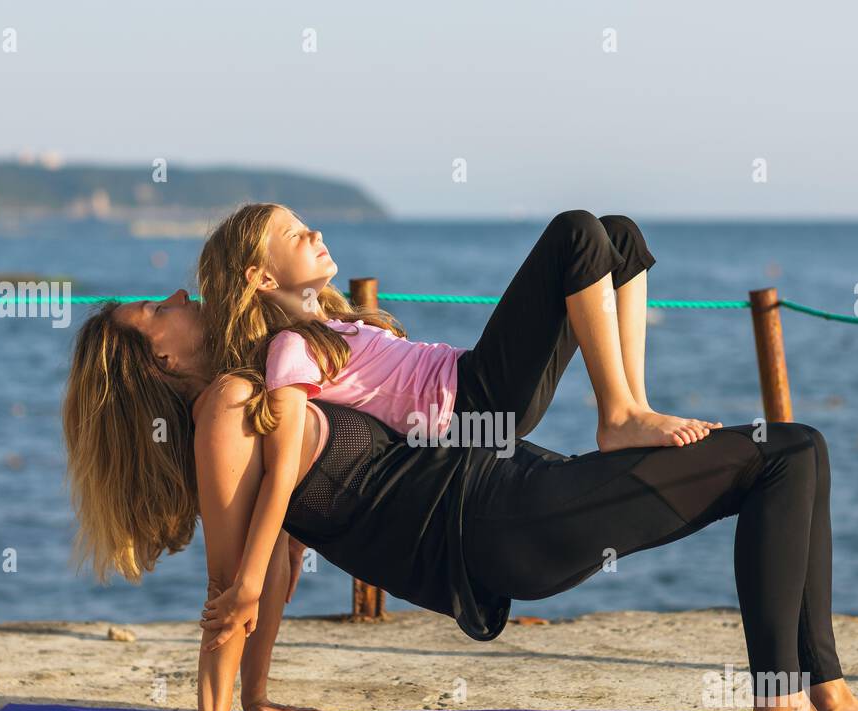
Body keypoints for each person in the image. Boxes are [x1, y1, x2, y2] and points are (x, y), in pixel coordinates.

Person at [59, 218, 858, 711]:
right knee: (781, 457)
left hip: (517, 483)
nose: (176, 294)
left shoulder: (280, 372)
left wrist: (257, 697)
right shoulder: (230, 404)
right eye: (154, 308)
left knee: (799, 450)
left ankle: (825, 693)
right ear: (161, 360)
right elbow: (239, 584)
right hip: (498, 520)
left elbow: (278, 563)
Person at [195, 205, 720, 640]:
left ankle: (631, 404)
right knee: (575, 231)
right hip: (469, 404)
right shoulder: (290, 348)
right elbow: (288, 455)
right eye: (294, 233)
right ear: (262, 278)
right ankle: (619, 417)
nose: (315, 232)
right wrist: (263, 564)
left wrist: (296, 537)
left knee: (618, 238)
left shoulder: (337, 324)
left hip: (479, 390)